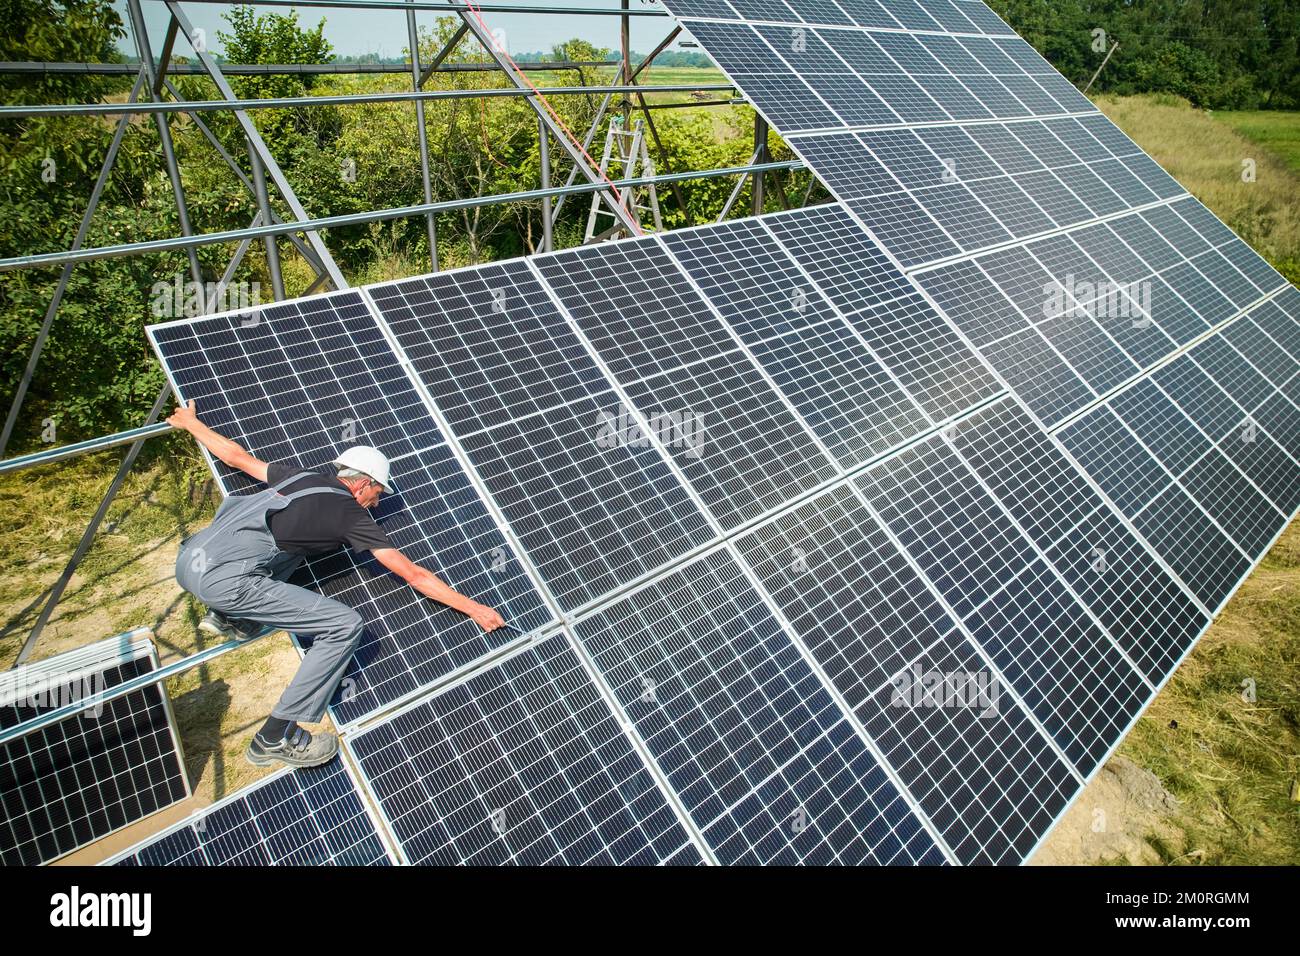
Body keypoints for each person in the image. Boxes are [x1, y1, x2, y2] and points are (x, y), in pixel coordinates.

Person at [166, 399, 505, 769]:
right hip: (227, 581)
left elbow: (235, 457)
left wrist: (190, 423)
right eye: (378, 494)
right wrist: (475, 609)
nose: (377, 504)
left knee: (295, 548)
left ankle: (228, 617)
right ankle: (276, 736)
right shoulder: (349, 514)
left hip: (189, 561)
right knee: (344, 625)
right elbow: (414, 574)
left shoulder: (302, 478)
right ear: (362, 484)